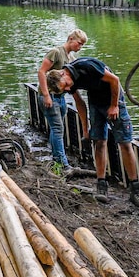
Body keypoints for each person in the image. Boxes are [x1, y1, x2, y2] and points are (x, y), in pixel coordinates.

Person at [46, 57, 139, 208]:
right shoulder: (69, 82)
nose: (68, 89)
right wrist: (85, 129)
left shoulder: (87, 67)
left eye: (66, 85)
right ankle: (101, 185)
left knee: (124, 142)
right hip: (95, 101)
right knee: (99, 142)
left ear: (63, 73)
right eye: (65, 90)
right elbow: (80, 103)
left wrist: (114, 106)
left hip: (114, 97)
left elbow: (115, 80)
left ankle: (135, 189)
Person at [36, 29, 87, 174]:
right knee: (58, 128)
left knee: (57, 128)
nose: (80, 47)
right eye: (79, 43)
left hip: (61, 97)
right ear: (71, 39)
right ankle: (62, 164)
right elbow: (41, 72)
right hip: (50, 96)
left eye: (82, 45)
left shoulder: (71, 58)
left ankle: (57, 158)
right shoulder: (56, 52)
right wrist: (46, 95)